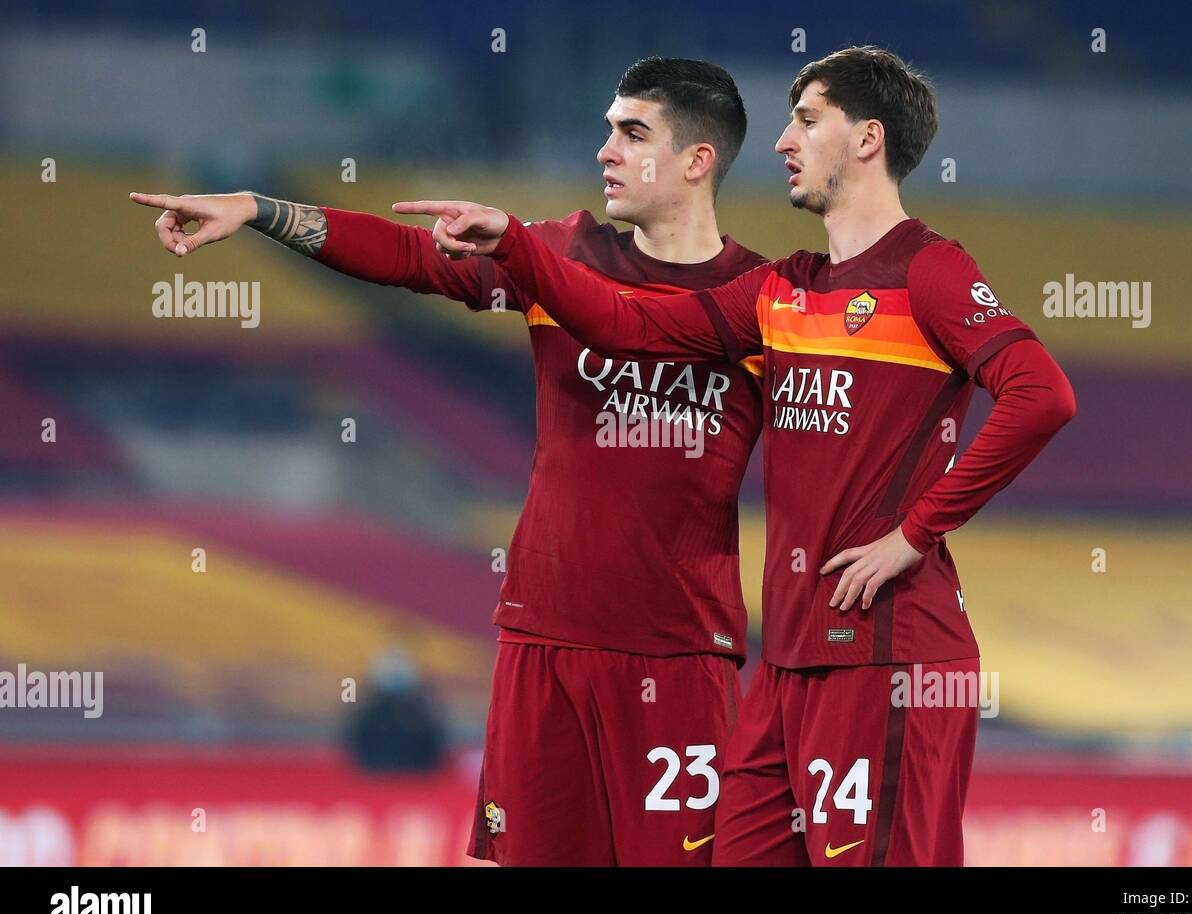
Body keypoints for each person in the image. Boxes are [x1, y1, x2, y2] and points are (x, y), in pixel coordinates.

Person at [420, 45, 1076, 866]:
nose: (781, 142)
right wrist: (517, 246)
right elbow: (633, 326)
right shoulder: (783, 287)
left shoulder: (930, 270)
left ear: (867, 139)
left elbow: (1041, 395)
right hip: (788, 665)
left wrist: (914, 534)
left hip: (891, 655)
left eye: (805, 120)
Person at [130, 57, 766, 866]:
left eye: (631, 132)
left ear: (697, 160)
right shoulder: (562, 250)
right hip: (548, 641)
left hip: (681, 655)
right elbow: (405, 257)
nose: (604, 149)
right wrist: (258, 209)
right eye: (606, 128)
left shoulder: (764, 301)